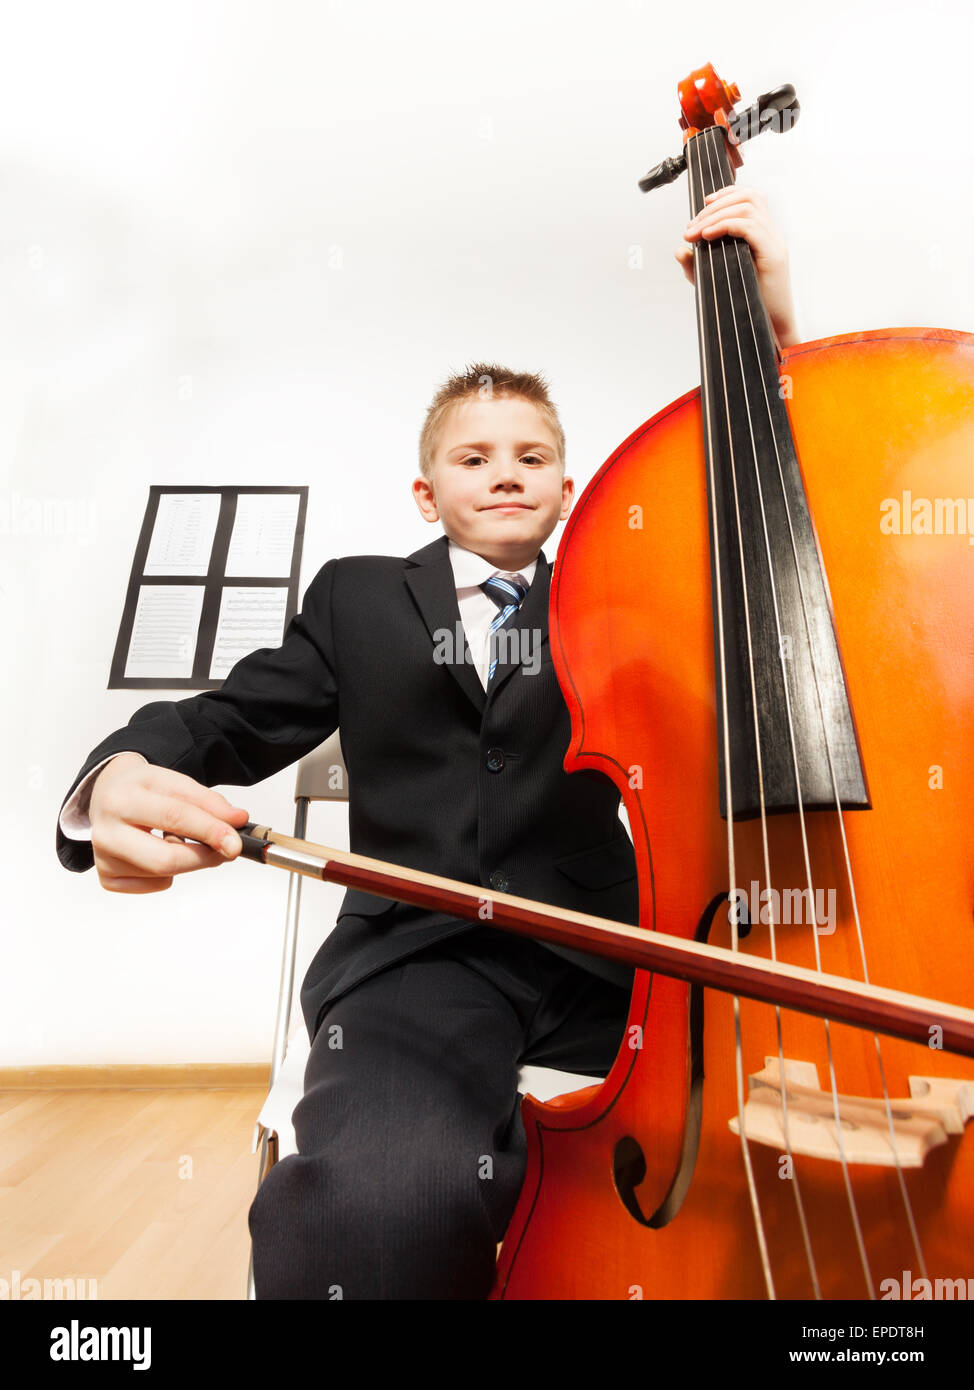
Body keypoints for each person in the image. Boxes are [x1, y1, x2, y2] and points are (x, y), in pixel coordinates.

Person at [56, 186, 799, 1299]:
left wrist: (770, 348)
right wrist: (109, 777)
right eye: (474, 454)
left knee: (790, 1183)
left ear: (563, 487)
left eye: (531, 454)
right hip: (417, 962)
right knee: (379, 1203)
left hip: (620, 964)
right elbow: (223, 722)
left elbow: (771, 549)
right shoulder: (358, 599)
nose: (504, 469)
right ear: (425, 488)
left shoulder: (622, 586)